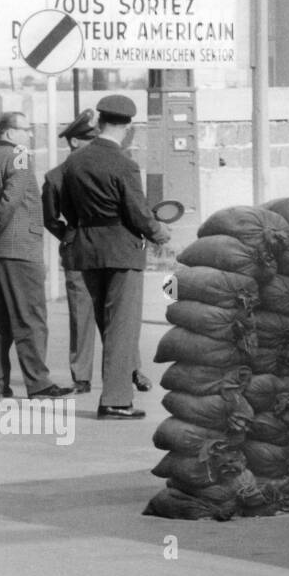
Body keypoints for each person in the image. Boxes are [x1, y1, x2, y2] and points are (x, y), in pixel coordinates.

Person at [57, 95, 171, 419]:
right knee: (122, 326)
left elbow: (66, 208)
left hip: (88, 249)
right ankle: (116, 400)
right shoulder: (125, 164)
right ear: (127, 127)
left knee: (106, 323)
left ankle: (115, 393)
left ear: (100, 122)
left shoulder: (74, 162)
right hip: (122, 250)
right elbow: (137, 212)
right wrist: (159, 234)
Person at [0, 111, 71, 399]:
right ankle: (38, 383)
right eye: (26, 129)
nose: (29, 134)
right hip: (19, 250)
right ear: (10, 132)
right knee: (31, 318)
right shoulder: (19, 157)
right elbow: (11, 199)